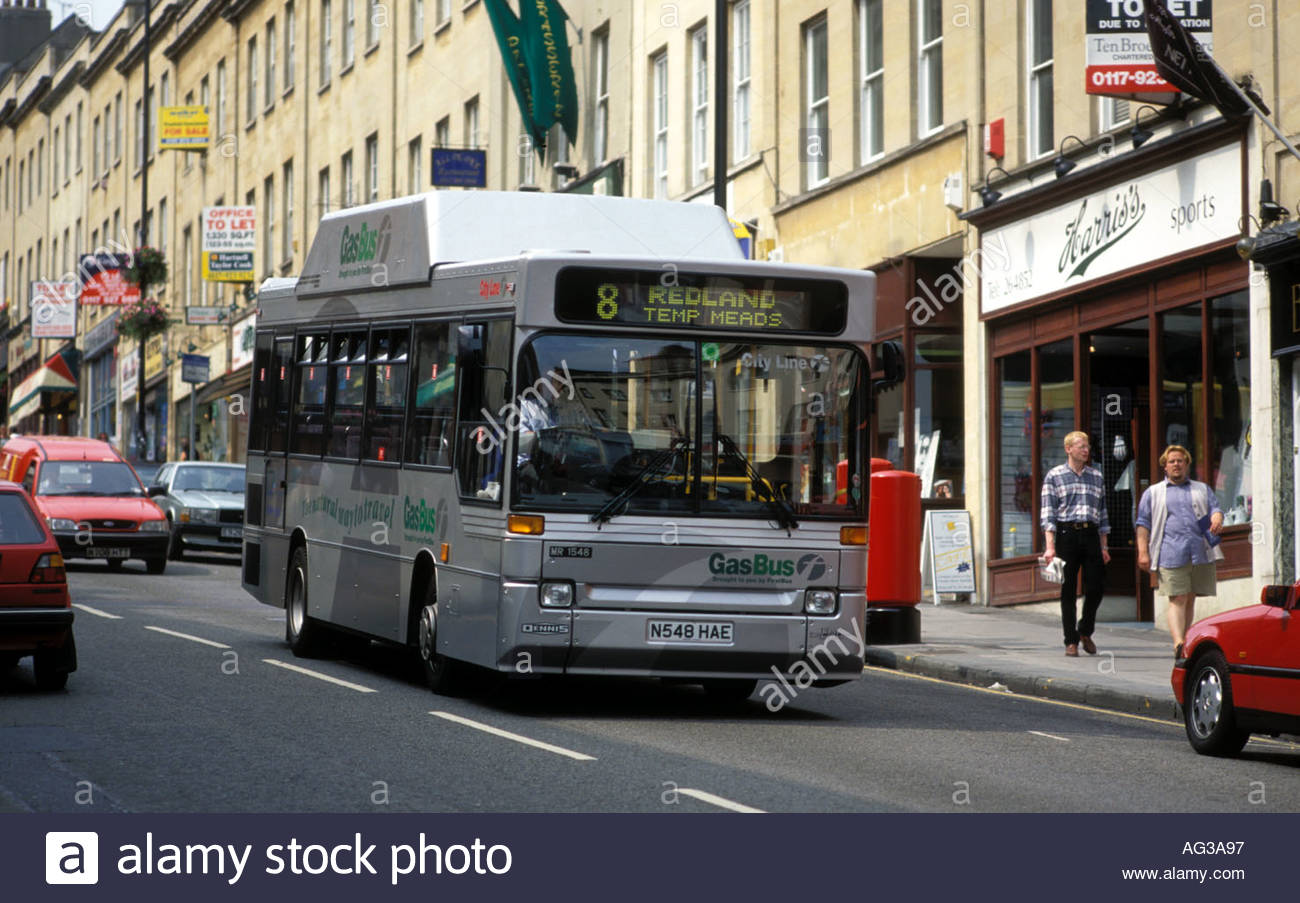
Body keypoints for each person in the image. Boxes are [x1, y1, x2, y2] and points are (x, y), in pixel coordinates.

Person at [1135, 444, 1224, 659]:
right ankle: (1178, 643)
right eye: (1172, 461)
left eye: (1180, 461)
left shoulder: (1201, 489)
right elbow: (1142, 523)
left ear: (1187, 465)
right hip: (1170, 552)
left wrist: (1217, 517)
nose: (1176, 465)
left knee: (1191, 597)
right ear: (1164, 466)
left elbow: (1215, 509)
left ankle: (1185, 643)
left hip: (1199, 551)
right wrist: (1143, 552)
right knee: (1177, 598)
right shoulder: (1154, 492)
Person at [1040, 431, 1111, 657]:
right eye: (1081, 446)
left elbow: (1103, 514)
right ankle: (1070, 640)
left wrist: (1104, 547)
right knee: (1068, 590)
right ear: (1068, 449)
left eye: (1087, 446)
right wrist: (1050, 546)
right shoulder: (1055, 476)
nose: (1086, 450)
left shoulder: (1096, 476)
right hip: (1066, 534)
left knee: (1096, 587)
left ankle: (1085, 630)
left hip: (1090, 534)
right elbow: (1048, 513)